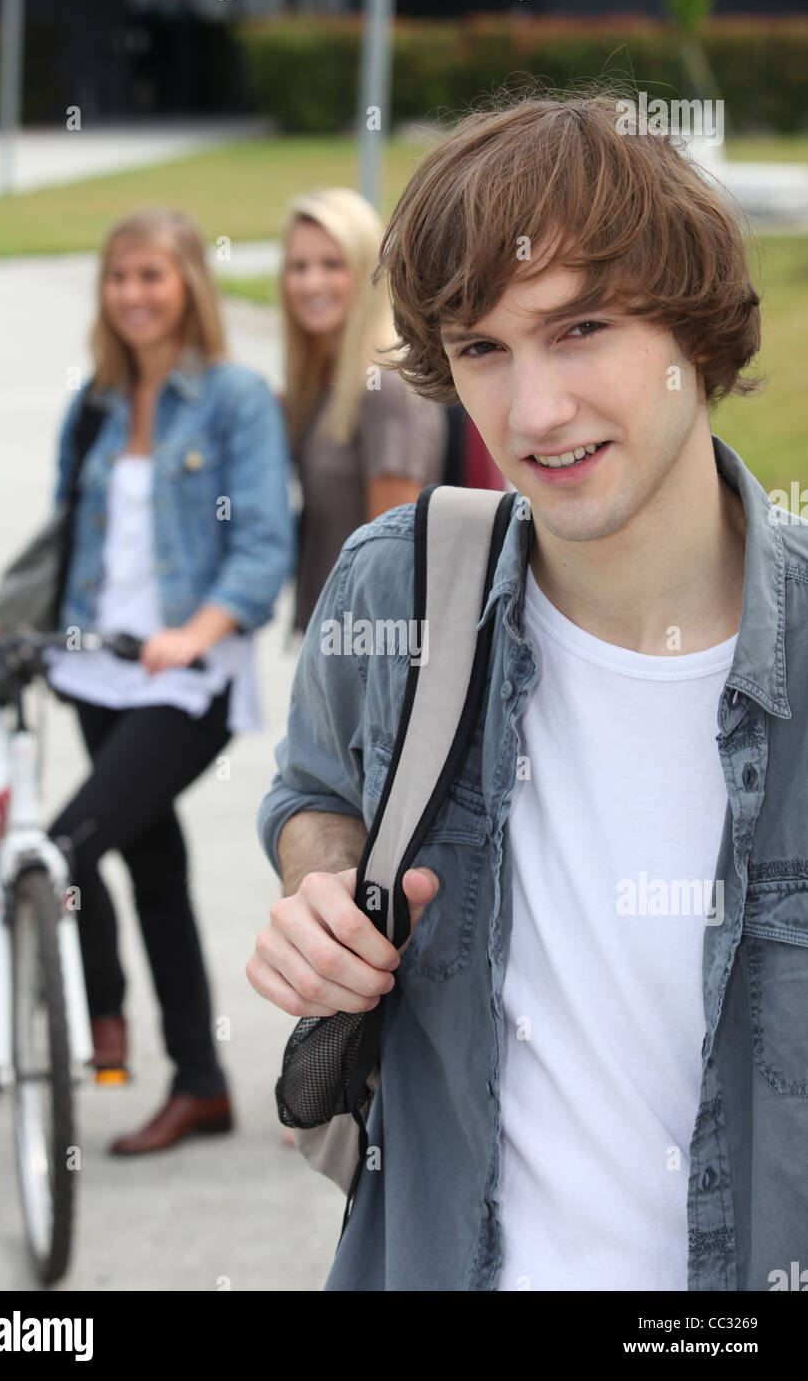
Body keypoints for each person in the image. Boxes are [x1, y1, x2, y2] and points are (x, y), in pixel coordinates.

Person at [249, 89, 808, 1291]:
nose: (533, 413)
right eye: (482, 350)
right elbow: (310, 788)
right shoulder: (394, 585)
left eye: (580, 329)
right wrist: (322, 896)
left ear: (695, 336)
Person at [42, 208, 293, 1153]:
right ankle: (200, 1082)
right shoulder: (98, 400)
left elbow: (263, 539)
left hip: (189, 681)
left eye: (152, 275)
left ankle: (104, 1028)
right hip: (96, 671)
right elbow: (66, 531)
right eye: (119, 278)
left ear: (188, 279)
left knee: (63, 849)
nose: (134, 295)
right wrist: (15, 621)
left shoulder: (234, 397)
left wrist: (197, 631)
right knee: (153, 867)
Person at [278, 187, 447, 638]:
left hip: (366, 643)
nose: (311, 283)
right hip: (329, 637)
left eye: (332, 265)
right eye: (299, 266)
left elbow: (391, 562)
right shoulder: (327, 382)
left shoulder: (386, 390)